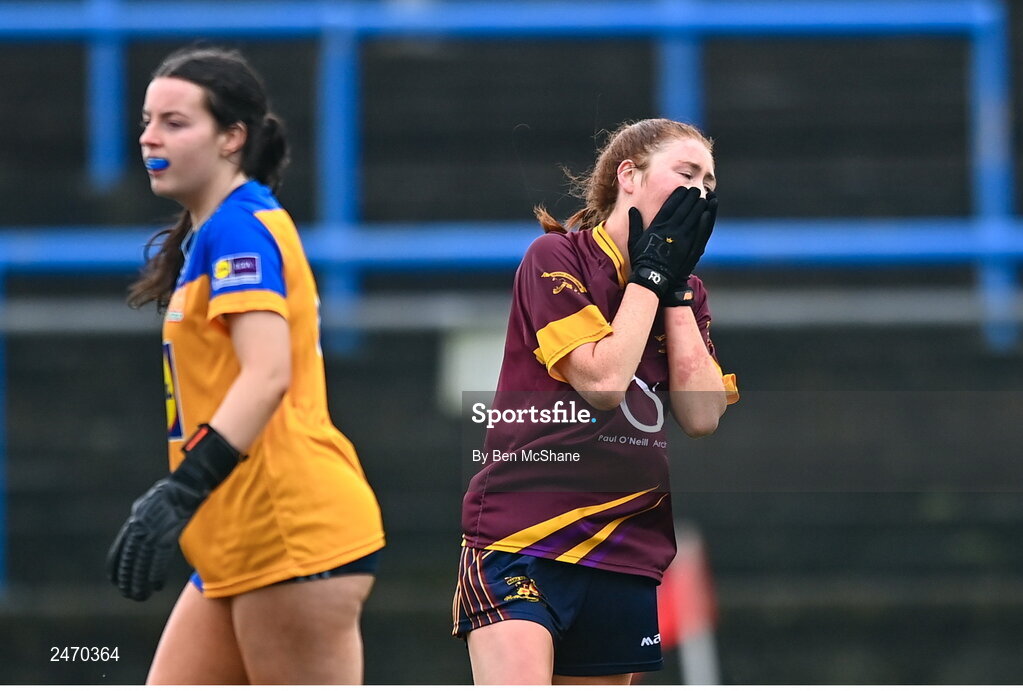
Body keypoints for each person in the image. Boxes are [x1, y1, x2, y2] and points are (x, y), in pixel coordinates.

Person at [105, 46, 385, 684]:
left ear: (232, 137)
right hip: (236, 539)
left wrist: (181, 489)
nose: (150, 137)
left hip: (288, 532)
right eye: (147, 121)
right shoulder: (212, 231)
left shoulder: (240, 226)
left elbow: (267, 375)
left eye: (175, 122)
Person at [452, 118, 739, 684]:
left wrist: (673, 287)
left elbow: (702, 415)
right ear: (628, 176)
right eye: (686, 173)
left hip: (624, 550)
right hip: (523, 535)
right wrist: (651, 277)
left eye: (708, 182)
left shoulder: (687, 291)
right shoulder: (555, 256)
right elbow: (604, 383)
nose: (699, 192)